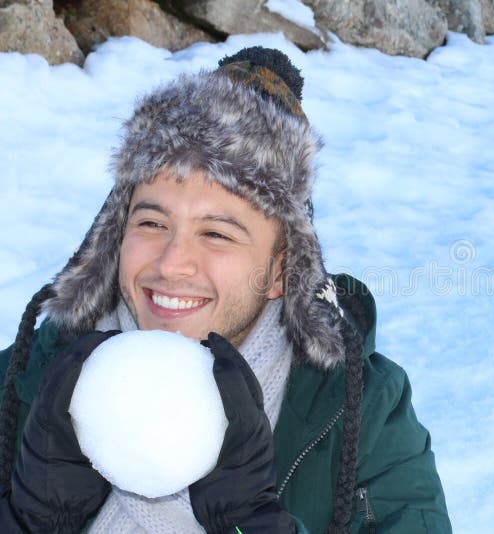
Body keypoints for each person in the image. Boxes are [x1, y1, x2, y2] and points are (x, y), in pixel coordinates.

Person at [0, 47, 451, 533]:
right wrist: (26, 521)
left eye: (216, 233)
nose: (172, 264)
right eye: (152, 221)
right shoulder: (26, 378)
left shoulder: (359, 415)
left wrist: (255, 525)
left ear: (282, 270)